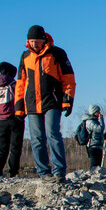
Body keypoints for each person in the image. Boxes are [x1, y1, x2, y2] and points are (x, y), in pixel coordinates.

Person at [14, 25, 75, 183]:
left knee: (53, 133)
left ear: (44, 39)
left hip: (52, 102)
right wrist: (19, 107)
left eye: (37, 41)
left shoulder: (57, 53)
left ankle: (59, 171)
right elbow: (21, 83)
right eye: (32, 41)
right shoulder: (25, 56)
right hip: (32, 104)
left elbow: (68, 78)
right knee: (37, 138)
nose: (35, 44)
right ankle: (44, 173)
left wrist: (67, 100)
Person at [0, 61, 24, 179]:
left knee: (2, 148)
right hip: (15, 119)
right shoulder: (14, 84)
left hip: (0, 120)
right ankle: (13, 172)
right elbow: (21, 98)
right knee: (15, 147)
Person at [79, 104, 105, 170]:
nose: (99, 113)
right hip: (93, 146)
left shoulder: (95, 121)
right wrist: (101, 119)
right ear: (94, 112)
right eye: (98, 111)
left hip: (98, 145)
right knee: (94, 165)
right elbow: (100, 129)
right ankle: (93, 176)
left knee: (98, 165)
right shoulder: (90, 121)